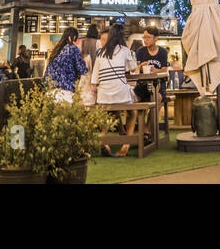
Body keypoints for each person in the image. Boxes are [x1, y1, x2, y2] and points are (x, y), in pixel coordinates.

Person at [93, 24, 138, 157]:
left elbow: (94, 79)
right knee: (133, 112)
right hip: (121, 94)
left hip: (103, 96)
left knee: (108, 110)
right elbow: (132, 68)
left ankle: (103, 139)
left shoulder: (100, 53)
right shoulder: (124, 50)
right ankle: (127, 143)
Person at [44, 26, 88, 101]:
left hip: (50, 92)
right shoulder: (73, 48)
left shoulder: (56, 50)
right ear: (73, 38)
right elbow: (82, 69)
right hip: (65, 92)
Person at [134, 29, 169, 107]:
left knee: (158, 98)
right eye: (144, 37)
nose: (145, 40)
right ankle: (141, 119)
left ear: (156, 38)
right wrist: (140, 67)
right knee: (135, 100)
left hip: (158, 85)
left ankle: (151, 119)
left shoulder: (162, 52)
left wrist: (155, 70)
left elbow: (164, 69)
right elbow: (135, 69)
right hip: (142, 85)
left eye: (148, 37)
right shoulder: (140, 51)